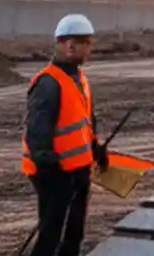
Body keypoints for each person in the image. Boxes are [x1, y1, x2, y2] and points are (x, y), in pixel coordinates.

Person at [20, 13, 107, 256]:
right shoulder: (49, 82)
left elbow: (83, 123)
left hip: (78, 169)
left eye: (87, 42)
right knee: (51, 233)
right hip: (55, 172)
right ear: (65, 44)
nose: (86, 48)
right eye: (81, 42)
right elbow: (37, 130)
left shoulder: (80, 80)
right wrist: (48, 165)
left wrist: (95, 147)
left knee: (74, 231)